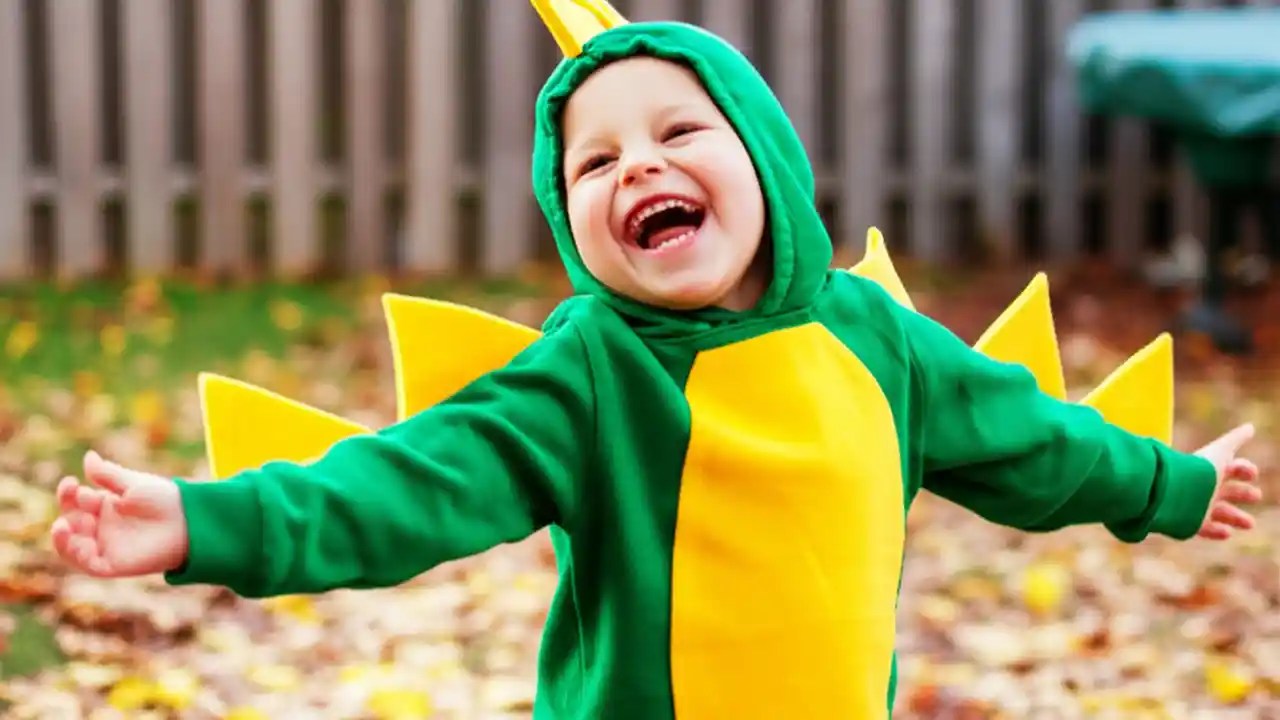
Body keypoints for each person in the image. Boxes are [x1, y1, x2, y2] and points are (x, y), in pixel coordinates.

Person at [50, 3, 1263, 718]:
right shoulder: (591, 374)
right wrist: (204, 523)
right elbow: (411, 481)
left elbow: (1026, 441)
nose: (636, 165)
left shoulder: (872, 337)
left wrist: (1166, 486)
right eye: (593, 163)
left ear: (769, 161)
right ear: (570, 220)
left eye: (679, 132)